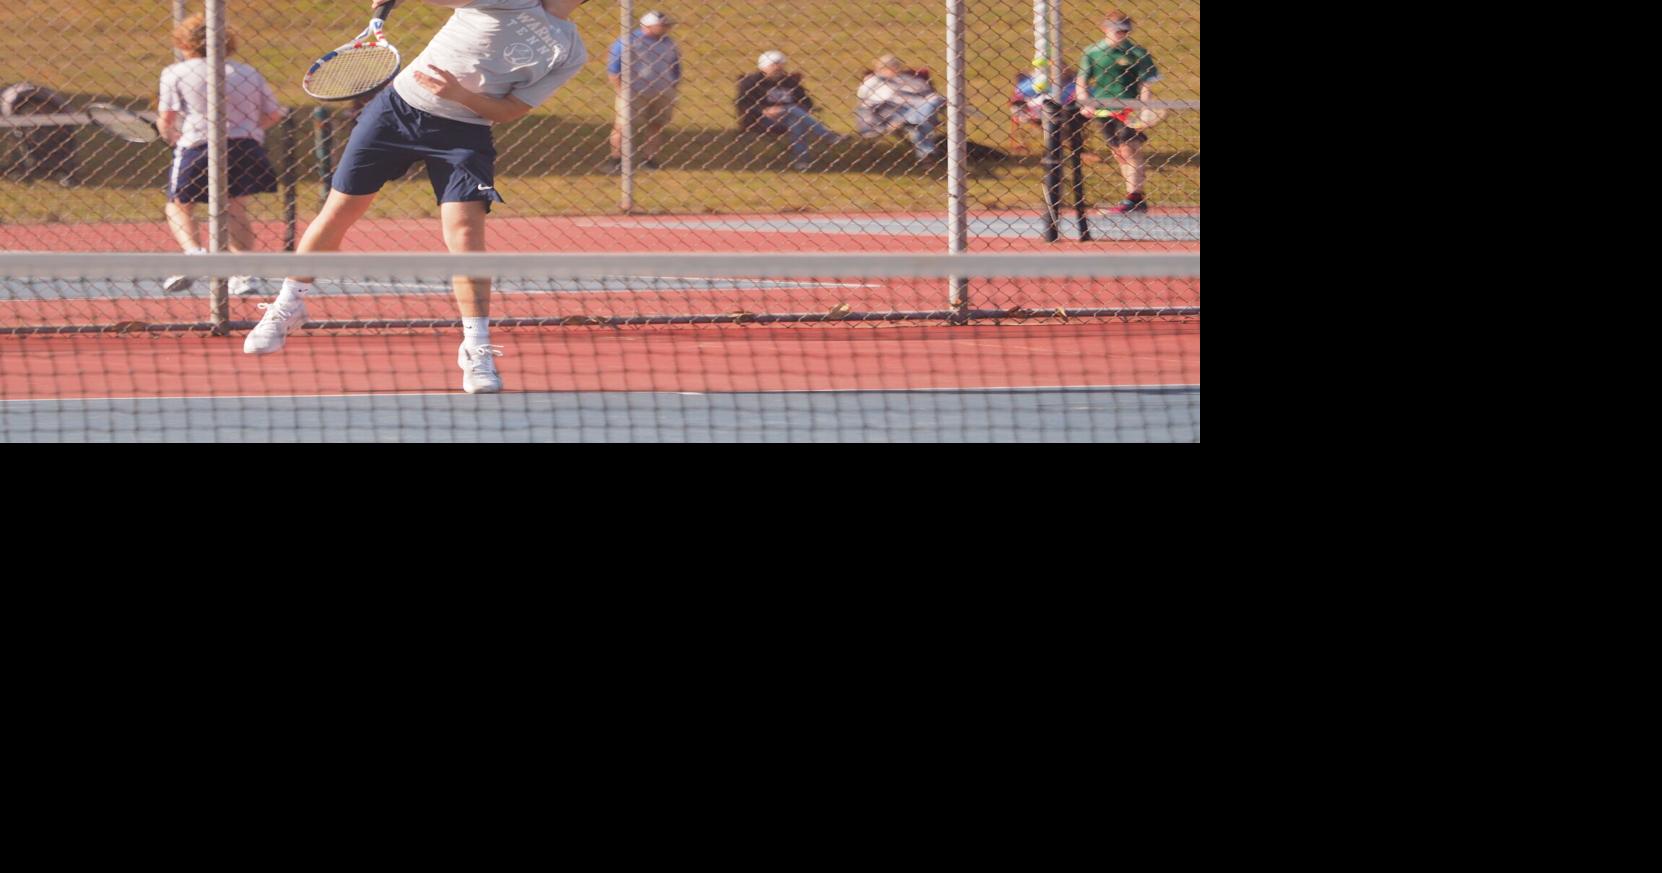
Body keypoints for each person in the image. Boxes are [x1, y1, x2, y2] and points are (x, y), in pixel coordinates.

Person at [244, 0, 589, 395]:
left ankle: (476, 349)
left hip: (464, 132)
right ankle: (288, 305)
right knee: (339, 211)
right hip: (396, 112)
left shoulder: (570, 51)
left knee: (466, 237)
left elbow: (511, 110)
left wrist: (458, 94)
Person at [157, 14, 285, 296]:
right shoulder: (247, 73)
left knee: (179, 204)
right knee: (235, 207)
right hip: (245, 146)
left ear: (184, 42)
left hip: (197, 145)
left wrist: (171, 137)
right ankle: (245, 275)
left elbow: (166, 119)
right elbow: (274, 113)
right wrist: (250, 129)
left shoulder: (175, 73)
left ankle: (195, 253)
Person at [1076, 10, 1161, 214]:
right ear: (1105, 28)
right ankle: (1135, 198)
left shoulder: (1138, 53)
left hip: (1129, 108)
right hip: (1104, 110)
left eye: (1125, 31)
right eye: (1117, 30)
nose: (1121, 34)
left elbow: (1146, 84)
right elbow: (1082, 81)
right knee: (1119, 153)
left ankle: (1133, 196)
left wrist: (1144, 109)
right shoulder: (1092, 52)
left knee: (1129, 149)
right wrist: (1085, 102)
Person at [736, 50, 845, 172]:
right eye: (773, 65)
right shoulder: (752, 82)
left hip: (790, 119)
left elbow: (807, 102)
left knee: (795, 120)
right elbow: (743, 104)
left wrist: (802, 109)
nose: (778, 68)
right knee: (793, 111)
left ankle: (801, 162)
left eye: (781, 65)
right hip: (762, 121)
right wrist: (764, 110)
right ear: (763, 67)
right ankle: (827, 136)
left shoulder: (789, 82)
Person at [603, 10, 680, 172]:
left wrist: (673, 85)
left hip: (662, 91)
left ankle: (649, 159)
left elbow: (675, 66)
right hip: (633, 91)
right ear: (648, 26)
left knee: (656, 124)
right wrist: (621, 90)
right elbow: (614, 68)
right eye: (662, 26)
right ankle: (616, 160)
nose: (666, 28)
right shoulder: (628, 42)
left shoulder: (668, 43)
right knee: (622, 126)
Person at [855, 55, 946, 165]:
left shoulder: (909, 79)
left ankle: (919, 126)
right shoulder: (873, 82)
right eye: (885, 67)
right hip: (893, 115)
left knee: (930, 105)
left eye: (894, 66)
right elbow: (869, 105)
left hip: (916, 111)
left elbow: (928, 94)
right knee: (927, 114)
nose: (892, 70)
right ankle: (926, 152)